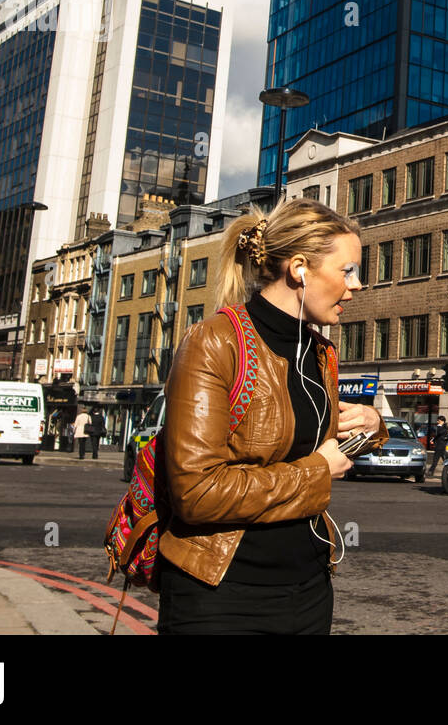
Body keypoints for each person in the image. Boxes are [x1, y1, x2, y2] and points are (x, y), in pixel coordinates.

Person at [154, 198, 387, 635]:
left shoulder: (321, 353)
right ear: (299, 268)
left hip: (309, 589)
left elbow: (317, 443)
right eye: (347, 271)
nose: (357, 286)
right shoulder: (213, 342)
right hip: (221, 593)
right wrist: (316, 472)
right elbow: (198, 492)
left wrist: (374, 427)